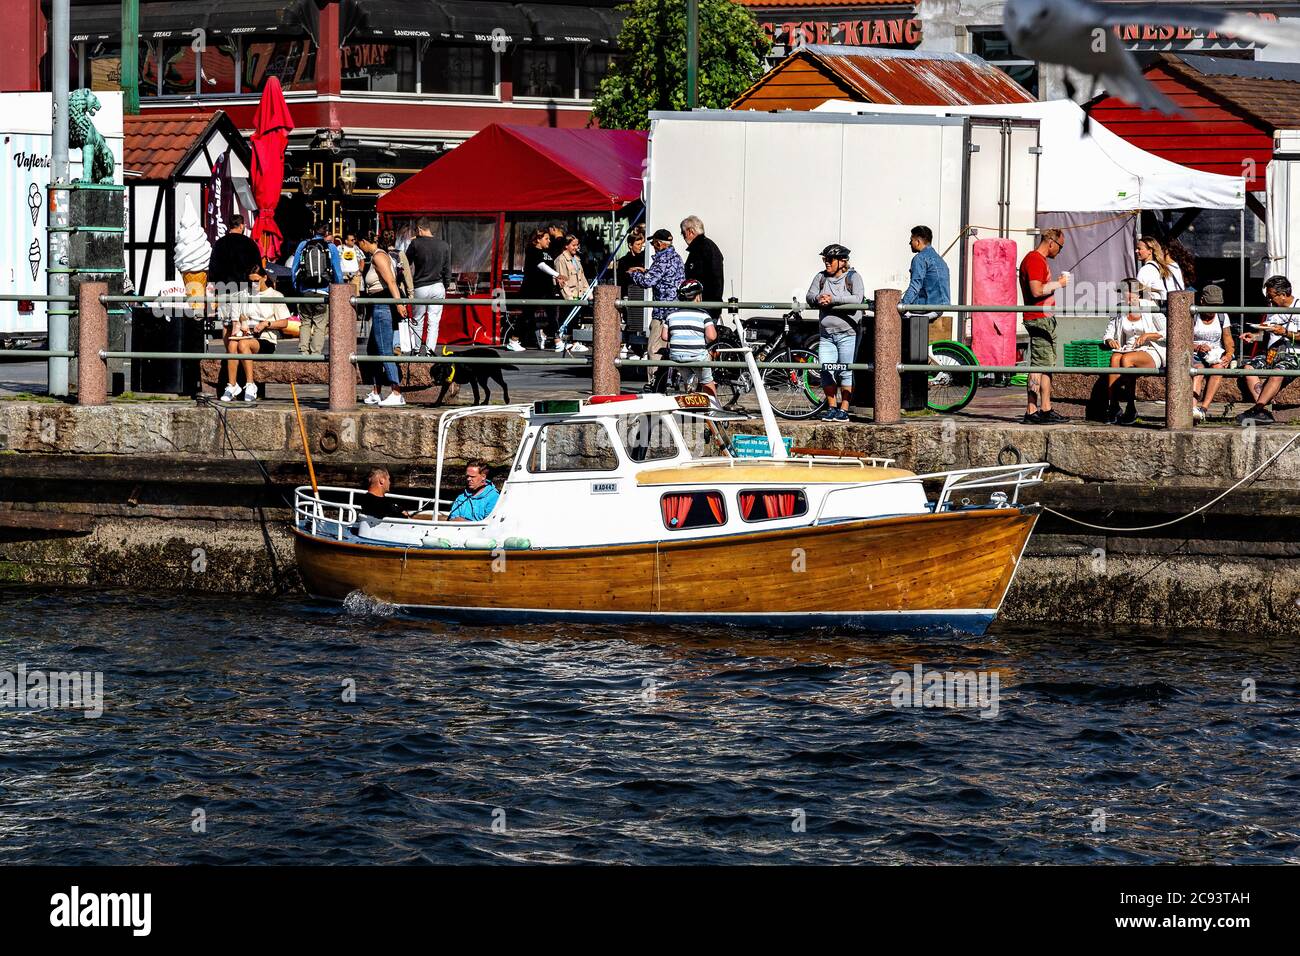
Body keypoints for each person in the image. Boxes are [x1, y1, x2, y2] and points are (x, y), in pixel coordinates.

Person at [220, 264, 300, 403]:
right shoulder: (244, 294)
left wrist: (266, 323)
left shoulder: (275, 295)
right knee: (233, 344)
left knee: (243, 344)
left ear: (264, 277)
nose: (253, 284)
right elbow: (235, 315)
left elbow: (285, 322)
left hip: (265, 338)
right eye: (251, 281)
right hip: (245, 333)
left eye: (256, 281)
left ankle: (250, 384)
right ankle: (232, 385)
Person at [807, 244, 865, 423]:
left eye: (830, 260)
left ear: (842, 261)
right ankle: (831, 407)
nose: (826, 263)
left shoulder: (853, 277)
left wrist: (833, 301)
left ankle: (844, 410)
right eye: (825, 259)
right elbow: (809, 296)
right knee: (826, 369)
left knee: (846, 371)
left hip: (848, 333)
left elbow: (858, 298)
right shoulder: (820, 277)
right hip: (826, 334)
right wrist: (818, 298)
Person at [1019, 228, 1071, 425]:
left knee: (1046, 363)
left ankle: (1046, 409)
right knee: (1039, 364)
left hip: (1045, 318)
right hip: (1038, 318)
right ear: (1051, 243)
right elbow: (1036, 290)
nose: (1060, 251)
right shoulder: (1034, 260)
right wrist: (1060, 283)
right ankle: (1032, 411)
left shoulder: (1040, 261)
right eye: (1060, 247)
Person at [1101, 278, 1166, 426]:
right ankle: (1114, 406)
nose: (1128, 295)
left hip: (1151, 349)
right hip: (1127, 349)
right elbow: (1108, 332)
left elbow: (1168, 330)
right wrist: (1109, 340)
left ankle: (1131, 407)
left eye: (1131, 291)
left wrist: (1148, 335)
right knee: (1115, 358)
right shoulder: (1120, 308)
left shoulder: (1149, 306)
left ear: (1139, 293)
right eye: (1124, 292)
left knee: (1126, 360)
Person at [1237, 275, 1300, 425]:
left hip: (1292, 354)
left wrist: (1285, 332)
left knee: (1278, 372)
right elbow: (1266, 331)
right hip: (1271, 354)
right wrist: (1254, 336)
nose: (1269, 301)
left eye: (1271, 297)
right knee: (1248, 368)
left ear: (1283, 295)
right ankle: (1262, 411)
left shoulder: (1298, 307)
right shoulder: (1273, 308)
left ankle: (1257, 409)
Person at [628, 228, 686, 384]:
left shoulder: (662, 260)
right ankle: (673, 382)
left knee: (654, 349)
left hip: (662, 313)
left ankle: (655, 385)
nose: (653, 246)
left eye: (654, 243)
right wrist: (647, 271)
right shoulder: (676, 258)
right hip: (676, 310)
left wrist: (633, 274)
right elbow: (665, 277)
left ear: (660, 244)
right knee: (672, 350)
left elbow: (648, 282)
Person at [357, 233, 408, 407]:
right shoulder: (376, 256)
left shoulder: (379, 257)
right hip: (378, 306)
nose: (359, 248)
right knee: (373, 349)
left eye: (359, 244)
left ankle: (396, 391)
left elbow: (391, 281)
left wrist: (399, 304)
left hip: (383, 306)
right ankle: (376, 391)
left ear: (364, 241)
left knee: (385, 350)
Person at [291, 222, 345, 355]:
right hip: (323, 290)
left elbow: (294, 269)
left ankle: (303, 351)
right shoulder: (331, 247)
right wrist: (340, 289)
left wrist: (297, 287)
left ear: (312, 231)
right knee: (320, 325)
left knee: (305, 322)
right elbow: (337, 272)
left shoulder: (303, 245)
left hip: (305, 290)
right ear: (326, 233)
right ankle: (315, 353)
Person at [660, 279, 718, 397]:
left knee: (687, 378)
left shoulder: (671, 315)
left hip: (677, 356)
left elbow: (664, 336)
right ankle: (713, 406)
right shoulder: (703, 315)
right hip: (697, 356)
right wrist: (703, 341)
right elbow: (712, 336)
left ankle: (691, 399)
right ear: (698, 297)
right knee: (707, 381)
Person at [403, 218, 452, 356]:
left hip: (420, 286)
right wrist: (446, 285)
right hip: (438, 286)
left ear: (419, 229)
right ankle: (430, 352)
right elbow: (447, 269)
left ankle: (417, 350)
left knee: (418, 319)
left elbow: (406, 263)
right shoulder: (444, 245)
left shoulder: (415, 243)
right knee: (434, 322)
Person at [208, 214, 263, 332]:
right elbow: (257, 268)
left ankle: (229, 350)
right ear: (241, 226)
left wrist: (214, 290)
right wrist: (255, 289)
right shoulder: (250, 243)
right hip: (245, 289)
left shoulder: (219, 244)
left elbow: (212, 269)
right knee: (244, 323)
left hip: (224, 288)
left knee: (227, 326)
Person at [511, 228, 562, 351]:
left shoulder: (547, 252)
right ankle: (513, 340)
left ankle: (558, 342)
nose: (549, 241)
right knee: (527, 315)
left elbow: (548, 265)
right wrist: (557, 274)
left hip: (546, 288)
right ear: (538, 240)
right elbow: (541, 265)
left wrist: (557, 279)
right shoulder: (532, 250)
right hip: (532, 289)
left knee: (552, 315)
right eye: (546, 239)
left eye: (549, 238)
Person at [1191, 284, 1234, 421]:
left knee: (1218, 368)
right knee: (1198, 371)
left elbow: (1228, 339)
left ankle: (1204, 408)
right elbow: (1182, 340)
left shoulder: (1222, 316)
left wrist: (1228, 355)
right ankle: (1192, 408)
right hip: (1195, 352)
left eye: (1217, 305)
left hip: (1215, 353)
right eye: (1211, 305)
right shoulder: (1193, 315)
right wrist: (1197, 347)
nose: (1213, 310)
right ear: (1202, 301)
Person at [553, 234, 591, 354]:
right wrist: (568, 297)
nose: (576, 247)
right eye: (573, 245)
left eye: (577, 245)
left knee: (575, 319)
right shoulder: (560, 260)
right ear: (566, 245)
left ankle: (574, 342)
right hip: (569, 295)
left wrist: (588, 292)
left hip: (578, 294)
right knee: (566, 318)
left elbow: (582, 277)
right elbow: (562, 281)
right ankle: (567, 341)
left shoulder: (577, 259)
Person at [900, 225, 951, 313]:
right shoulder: (939, 259)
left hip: (926, 307)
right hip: (941, 308)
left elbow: (915, 286)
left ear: (918, 242)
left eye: (911, 240)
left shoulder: (920, 258)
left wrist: (902, 306)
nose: (909, 243)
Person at [681, 215, 724, 319]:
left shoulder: (703, 249)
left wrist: (696, 292)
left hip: (704, 308)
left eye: (683, 233)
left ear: (690, 231)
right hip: (707, 306)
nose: (682, 237)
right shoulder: (704, 247)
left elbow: (707, 277)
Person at [1135, 235, 1184, 300]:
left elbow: (1135, 294)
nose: (1136, 251)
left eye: (1139, 249)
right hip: (1171, 306)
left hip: (1156, 308)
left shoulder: (1146, 270)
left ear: (1150, 251)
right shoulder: (1166, 268)